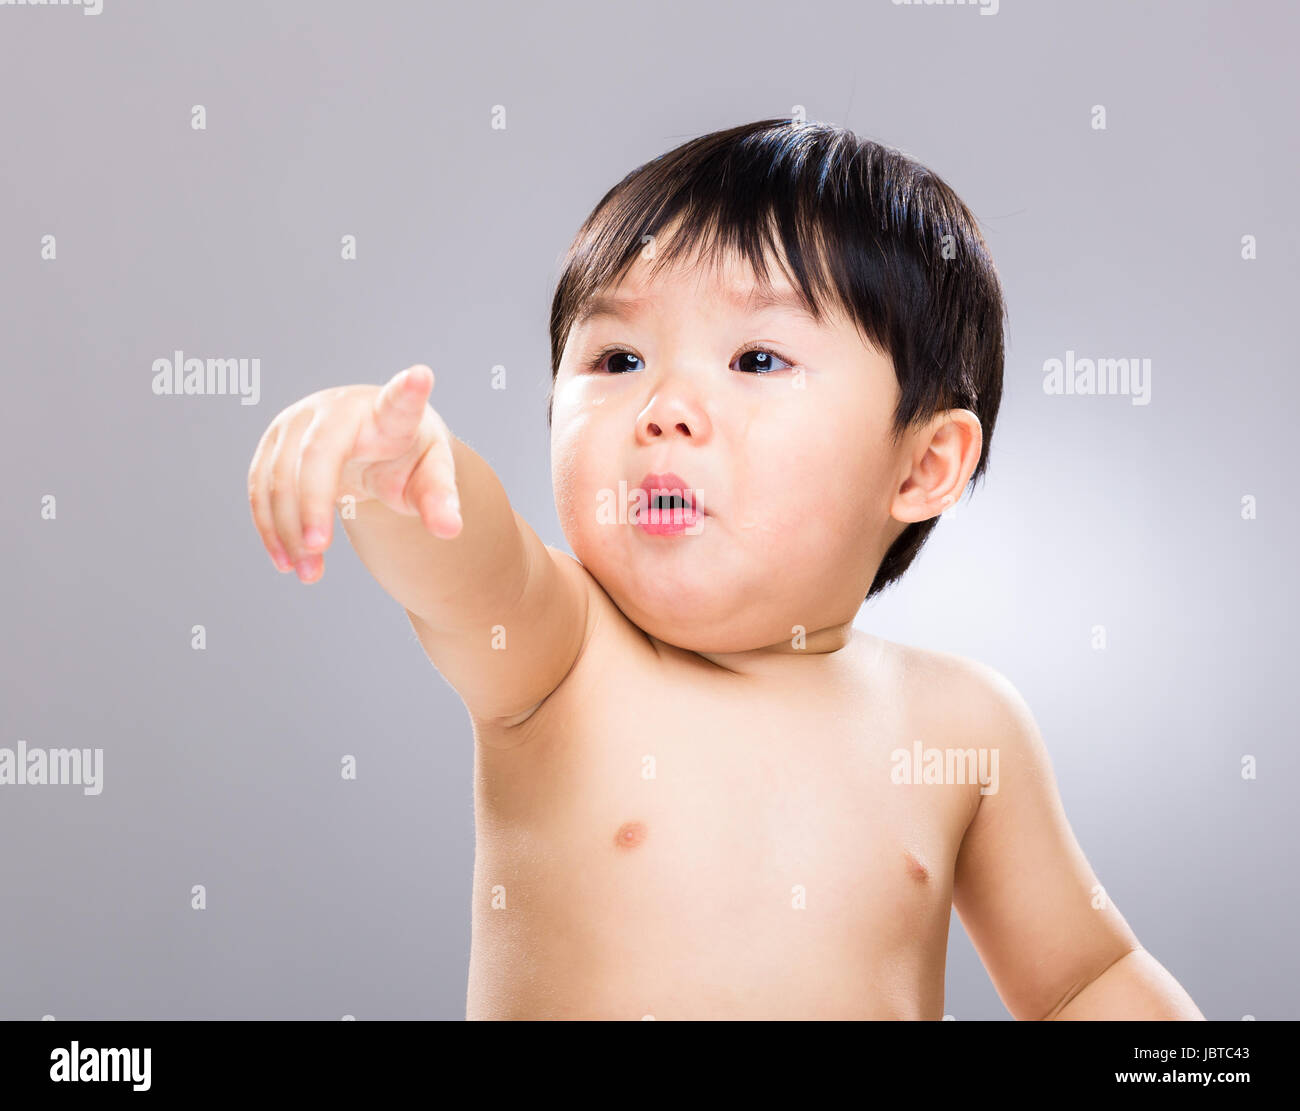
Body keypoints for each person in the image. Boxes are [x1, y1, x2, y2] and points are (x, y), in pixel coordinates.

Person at [246, 118, 1203, 1020]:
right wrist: (404, 474)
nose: (665, 406)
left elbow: (1087, 978)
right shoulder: (564, 654)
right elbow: (473, 567)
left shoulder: (965, 723)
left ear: (922, 465)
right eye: (617, 357)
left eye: (755, 357)